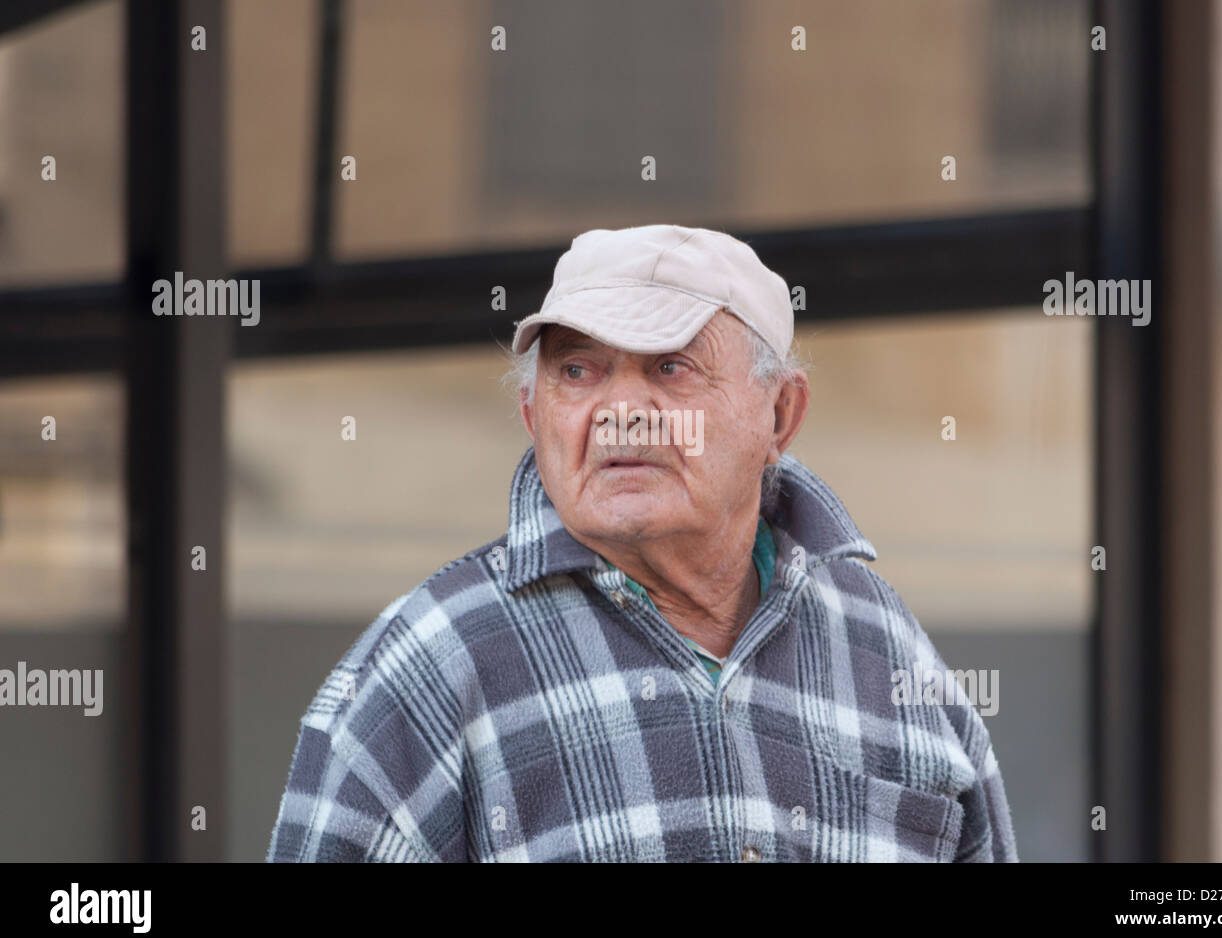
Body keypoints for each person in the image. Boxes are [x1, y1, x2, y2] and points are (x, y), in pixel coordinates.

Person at [267, 223, 1018, 862]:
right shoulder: (428, 666)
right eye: (578, 370)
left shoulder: (885, 645)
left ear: (779, 416)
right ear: (535, 415)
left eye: (671, 367)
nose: (622, 411)